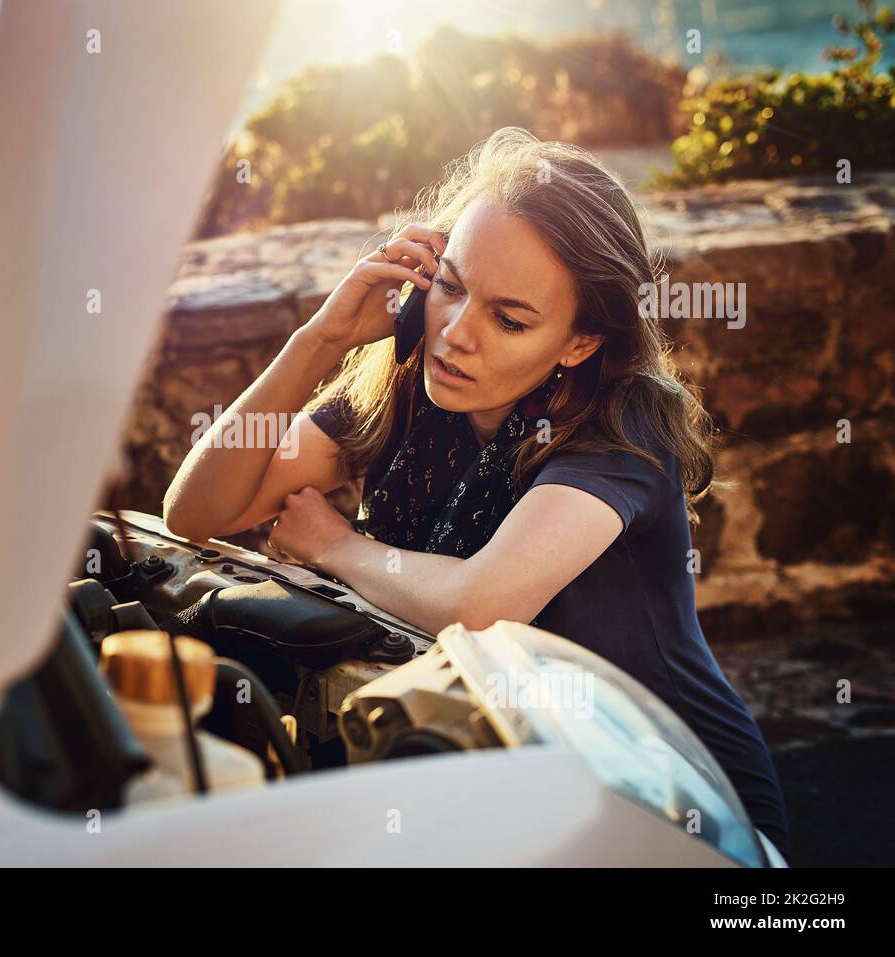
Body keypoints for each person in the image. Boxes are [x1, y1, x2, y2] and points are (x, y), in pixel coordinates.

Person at [163, 127, 790, 862]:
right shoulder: (407, 386)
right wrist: (320, 339)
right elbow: (198, 510)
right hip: (513, 780)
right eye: (452, 286)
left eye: (510, 318)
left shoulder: (622, 429)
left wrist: (334, 544)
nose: (456, 335)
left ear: (579, 342)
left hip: (676, 802)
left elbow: (480, 607)